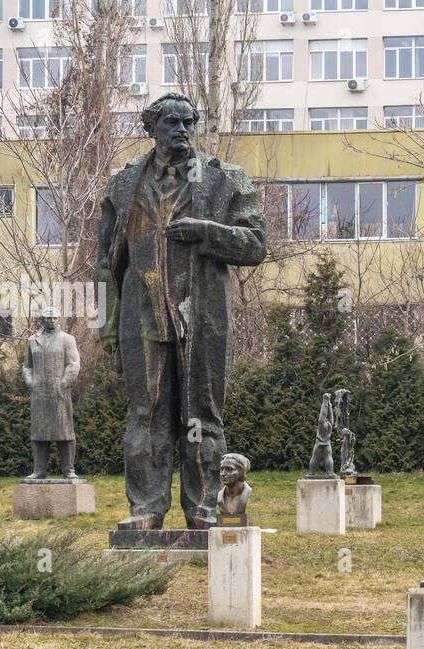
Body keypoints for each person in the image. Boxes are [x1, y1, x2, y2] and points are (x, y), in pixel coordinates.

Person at [97, 92, 266, 530]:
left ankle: (204, 508)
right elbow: (105, 267)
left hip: (203, 318)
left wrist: (209, 232)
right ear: (150, 129)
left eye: (189, 121)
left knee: (201, 416)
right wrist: (108, 331)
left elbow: (255, 245)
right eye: (171, 122)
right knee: (145, 413)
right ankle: (146, 509)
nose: (182, 130)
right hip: (142, 317)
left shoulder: (225, 179)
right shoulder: (122, 184)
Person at [23, 308, 81, 479]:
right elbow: (27, 366)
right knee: (39, 433)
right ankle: (39, 471)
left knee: (65, 432)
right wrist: (30, 382)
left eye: (55, 318)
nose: (51, 321)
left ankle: (68, 470)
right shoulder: (32, 341)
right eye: (48, 318)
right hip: (39, 394)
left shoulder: (67, 339)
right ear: (43, 319)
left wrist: (63, 384)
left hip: (60, 393)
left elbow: (74, 364)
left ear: (58, 319)